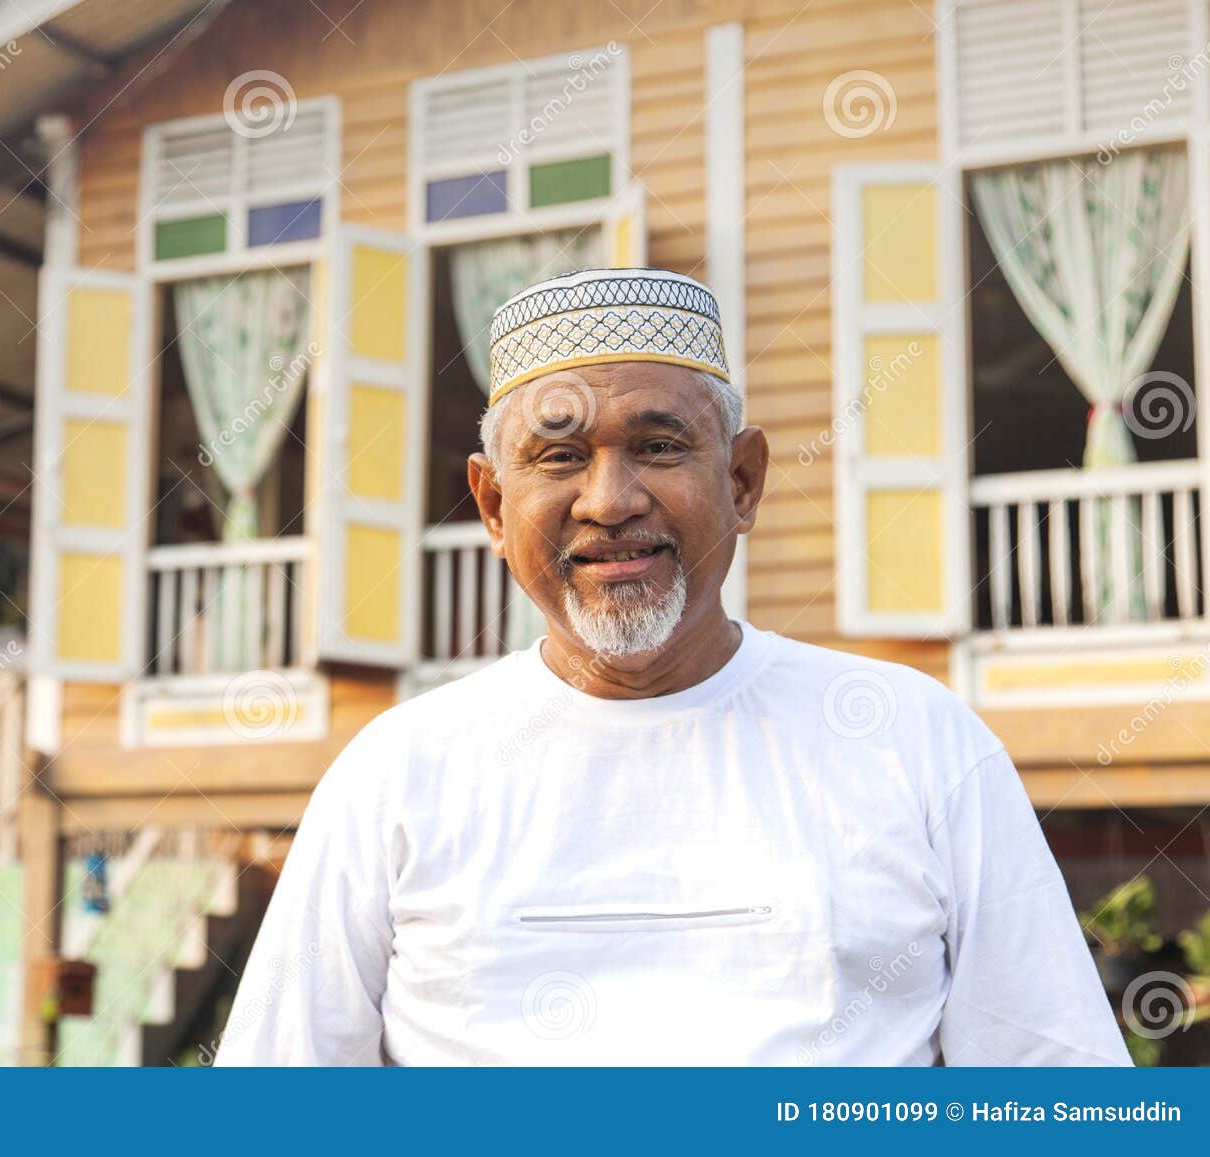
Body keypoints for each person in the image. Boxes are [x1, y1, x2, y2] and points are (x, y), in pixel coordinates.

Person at [212, 268, 1129, 1066]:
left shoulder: (916, 742)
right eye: (559, 456)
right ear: (493, 506)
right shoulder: (394, 775)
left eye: (657, 447)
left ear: (742, 481)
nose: (609, 501)